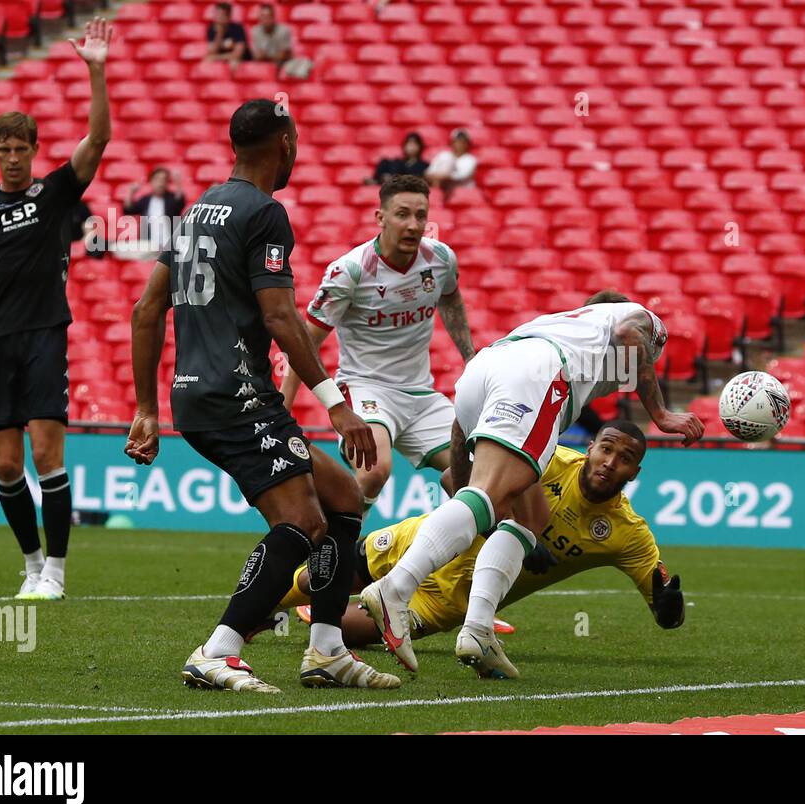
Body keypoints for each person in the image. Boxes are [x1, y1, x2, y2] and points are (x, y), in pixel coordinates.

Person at [125, 98, 397, 693]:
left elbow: (147, 310)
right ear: (287, 143)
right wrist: (334, 401)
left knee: (343, 499)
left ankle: (326, 650)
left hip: (197, 396)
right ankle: (217, 651)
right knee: (301, 521)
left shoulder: (195, 211)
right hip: (237, 395)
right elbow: (278, 316)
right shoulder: (265, 213)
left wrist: (146, 407)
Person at [360, 289, 704, 678]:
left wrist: (461, 482)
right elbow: (630, 332)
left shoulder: (564, 327)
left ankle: (477, 630)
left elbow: (461, 427)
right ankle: (397, 588)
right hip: (537, 376)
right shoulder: (633, 318)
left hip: (486, 368)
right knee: (491, 494)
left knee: (530, 517)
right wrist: (659, 412)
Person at [0, 18, 113, 601]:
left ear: (35, 152)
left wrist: (96, 69)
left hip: (43, 333)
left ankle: (57, 573)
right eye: (4, 150)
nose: (13, 159)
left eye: (21, 150)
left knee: (44, 452)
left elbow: (98, 141)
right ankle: (32, 565)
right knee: (7, 466)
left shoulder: (54, 193)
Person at [273, 429, 685, 670]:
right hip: (426, 543)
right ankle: (257, 615)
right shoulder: (546, 460)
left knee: (345, 630)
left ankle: (313, 613)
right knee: (314, 577)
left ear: (636, 473)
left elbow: (663, 605)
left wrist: (670, 611)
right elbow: (454, 479)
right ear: (591, 446)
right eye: (607, 449)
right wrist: (512, 531)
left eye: (625, 458)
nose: (611, 461)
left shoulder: (627, 534)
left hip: (449, 601)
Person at [280, 174, 475, 516]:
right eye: (402, 214)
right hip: (365, 388)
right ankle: (333, 550)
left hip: (421, 396)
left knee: (474, 473)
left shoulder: (440, 259)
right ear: (380, 218)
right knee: (375, 470)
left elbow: (451, 298)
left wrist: (469, 355)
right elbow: (303, 342)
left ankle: (466, 555)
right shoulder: (350, 272)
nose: (413, 225)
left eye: (420, 215)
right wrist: (283, 407)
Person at [123, 167, 186, 251]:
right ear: (151, 181)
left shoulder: (171, 199)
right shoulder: (146, 200)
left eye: (164, 180)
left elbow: (180, 202)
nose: (161, 183)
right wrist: (131, 192)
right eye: (157, 179)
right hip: (148, 245)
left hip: (169, 246)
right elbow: (128, 210)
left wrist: (178, 183)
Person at [250, 4, 312, 79]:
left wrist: (266, 56)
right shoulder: (255, 31)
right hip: (264, 67)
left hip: (284, 64)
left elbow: (284, 55)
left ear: (273, 17)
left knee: (303, 64)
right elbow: (257, 56)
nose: (265, 19)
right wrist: (273, 56)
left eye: (268, 16)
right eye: (262, 16)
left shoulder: (283, 30)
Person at [425, 128, 476, 200]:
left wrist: (445, 176)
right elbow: (429, 171)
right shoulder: (443, 155)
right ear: (452, 142)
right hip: (443, 190)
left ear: (467, 144)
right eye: (457, 141)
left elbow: (462, 176)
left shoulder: (470, 159)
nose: (459, 144)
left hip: (463, 193)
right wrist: (437, 177)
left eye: (462, 142)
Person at [363, 132, 427, 186]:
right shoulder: (398, 162)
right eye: (409, 143)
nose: (411, 146)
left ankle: (390, 180)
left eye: (414, 143)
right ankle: (377, 181)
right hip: (392, 180)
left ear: (420, 146)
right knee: (385, 161)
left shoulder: (424, 165)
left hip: (406, 184)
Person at [205, 2, 249, 68]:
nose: (218, 18)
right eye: (216, 14)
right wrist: (219, 34)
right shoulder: (211, 29)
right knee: (206, 62)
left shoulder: (238, 28)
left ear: (229, 17)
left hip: (239, 59)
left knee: (233, 64)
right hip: (224, 58)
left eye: (221, 15)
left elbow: (238, 54)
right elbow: (212, 52)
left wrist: (217, 58)